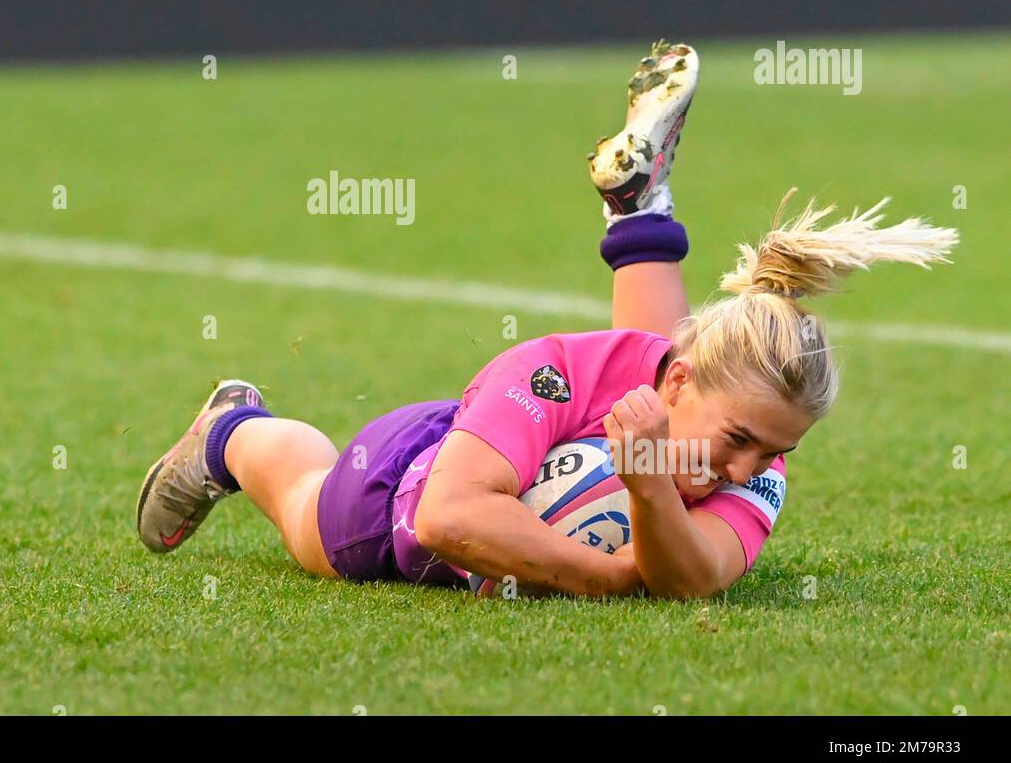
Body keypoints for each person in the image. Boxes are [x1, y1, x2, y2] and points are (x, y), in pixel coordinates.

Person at [135, 43, 957, 599]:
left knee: (651, 380)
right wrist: (599, 576)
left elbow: (692, 577)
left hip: (536, 431)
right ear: (677, 381)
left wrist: (647, 486)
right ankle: (229, 430)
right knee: (302, 494)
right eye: (741, 439)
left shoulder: (744, 456)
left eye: (775, 451)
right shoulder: (555, 366)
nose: (750, 470)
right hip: (392, 500)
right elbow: (446, 520)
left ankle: (641, 213)